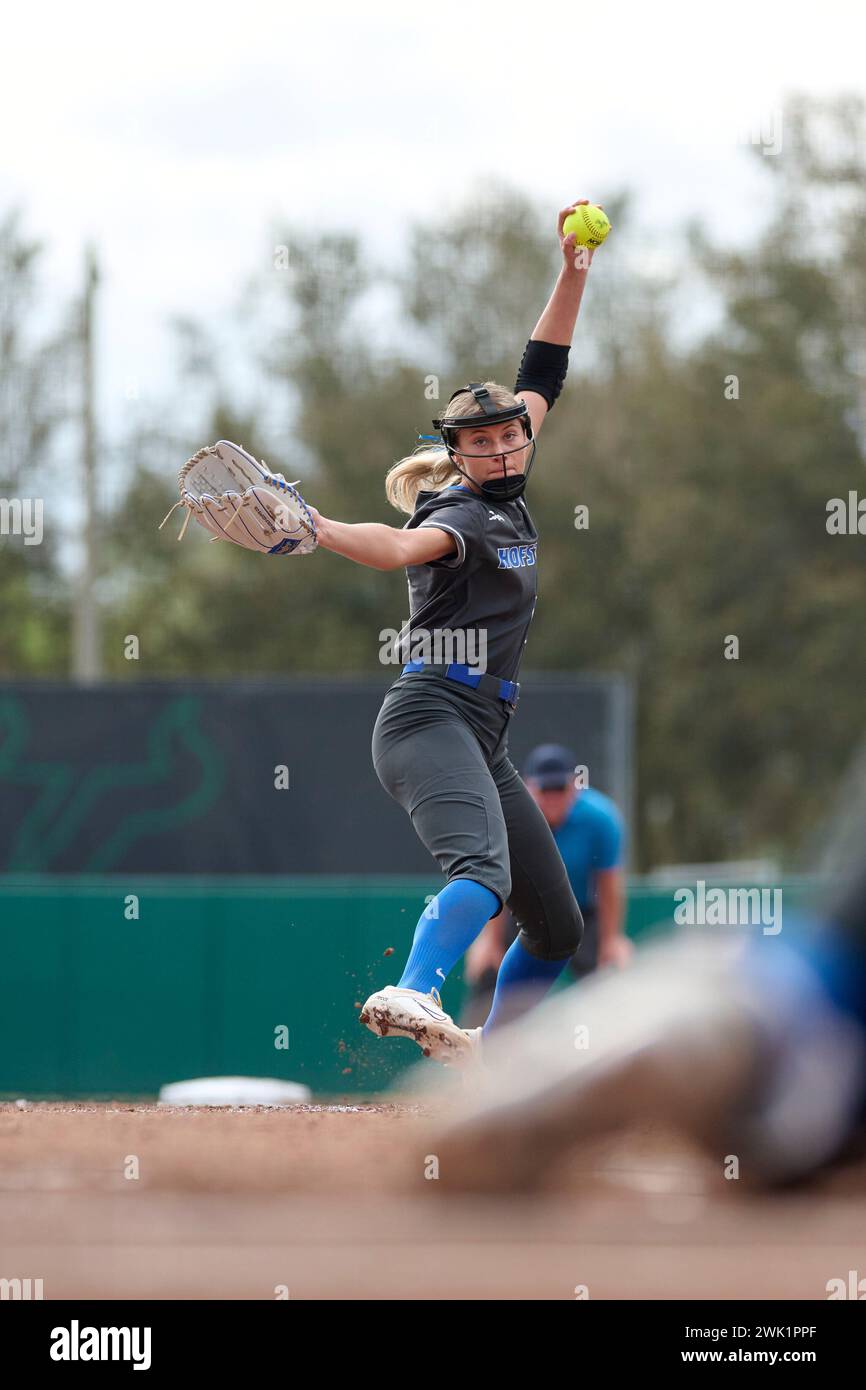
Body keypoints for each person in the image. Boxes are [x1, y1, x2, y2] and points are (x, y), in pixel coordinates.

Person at [305, 200, 604, 1064]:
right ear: (459, 453)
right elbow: (398, 545)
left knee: (554, 926)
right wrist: (322, 528)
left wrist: (573, 273)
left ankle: (492, 1062)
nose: (504, 447)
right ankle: (414, 986)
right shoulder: (463, 515)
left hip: (484, 735)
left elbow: (543, 369)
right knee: (482, 874)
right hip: (429, 716)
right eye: (482, 440)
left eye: (511, 433)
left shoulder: (506, 471)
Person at [462, 744, 630, 1030]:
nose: (553, 798)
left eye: (560, 789)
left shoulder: (601, 819)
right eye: (545, 790)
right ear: (529, 788)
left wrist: (611, 939)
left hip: (581, 913)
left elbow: (609, 884)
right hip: (525, 910)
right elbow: (498, 880)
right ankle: (474, 1057)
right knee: (489, 969)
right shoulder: (509, 819)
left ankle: (611, 1063)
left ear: (575, 789)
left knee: (609, 978)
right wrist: (490, 940)